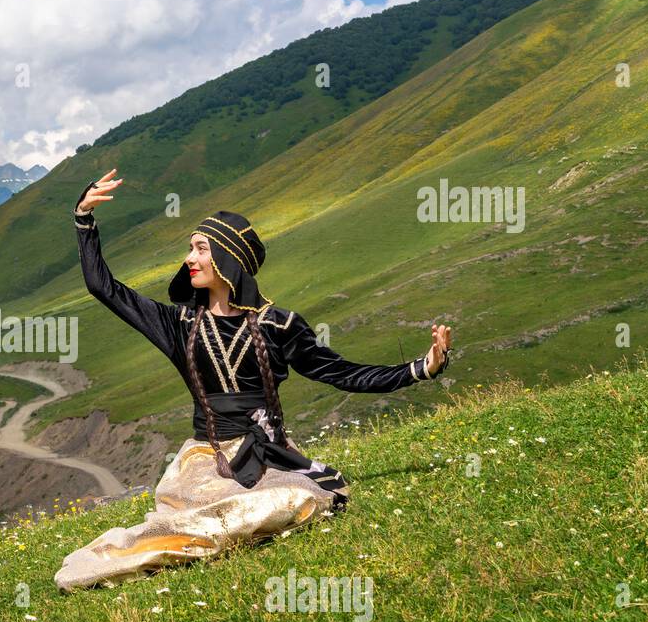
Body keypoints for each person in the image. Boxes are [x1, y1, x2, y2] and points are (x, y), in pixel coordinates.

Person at [54, 168, 453, 592]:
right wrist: (84, 218)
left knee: (301, 497)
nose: (189, 258)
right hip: (204, 461)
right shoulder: (179, 323)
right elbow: (104, 288)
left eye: (200, 248)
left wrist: (420, 368)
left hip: (269, 456)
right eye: (190, 248)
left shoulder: (280, 326)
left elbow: (342, 373)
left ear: (227, 259)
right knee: (211, 511)